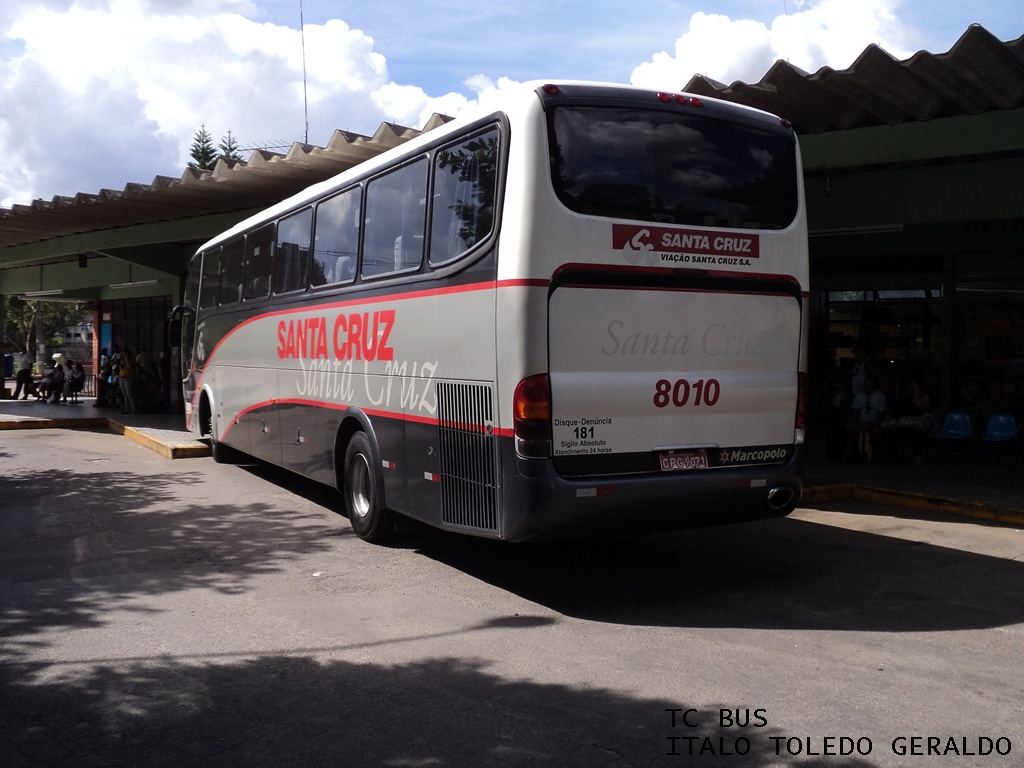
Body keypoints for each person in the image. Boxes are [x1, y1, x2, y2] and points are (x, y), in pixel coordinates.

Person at [847, 374, 887, 461]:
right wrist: (858, 422)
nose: (866, 386)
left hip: (874, 421)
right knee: (849, 426)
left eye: (869, 384)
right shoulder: (859, 395)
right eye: (865, 384)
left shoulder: (881, 396)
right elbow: (855, 412)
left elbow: (881, 414)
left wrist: (873, 423)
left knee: (877, 431)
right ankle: (853, 451)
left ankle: (875, 452)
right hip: (861, 421)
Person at [119, 348, 138, 414]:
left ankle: (134, 409)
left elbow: (129, 367)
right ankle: (127, 408)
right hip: (122, 378)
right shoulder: (122, 361)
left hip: (128, 378)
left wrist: (127, 359)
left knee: (129, 394)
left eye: (125, 354)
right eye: (123, 354)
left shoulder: (131, 360)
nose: (124, 355)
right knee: (125, 394)